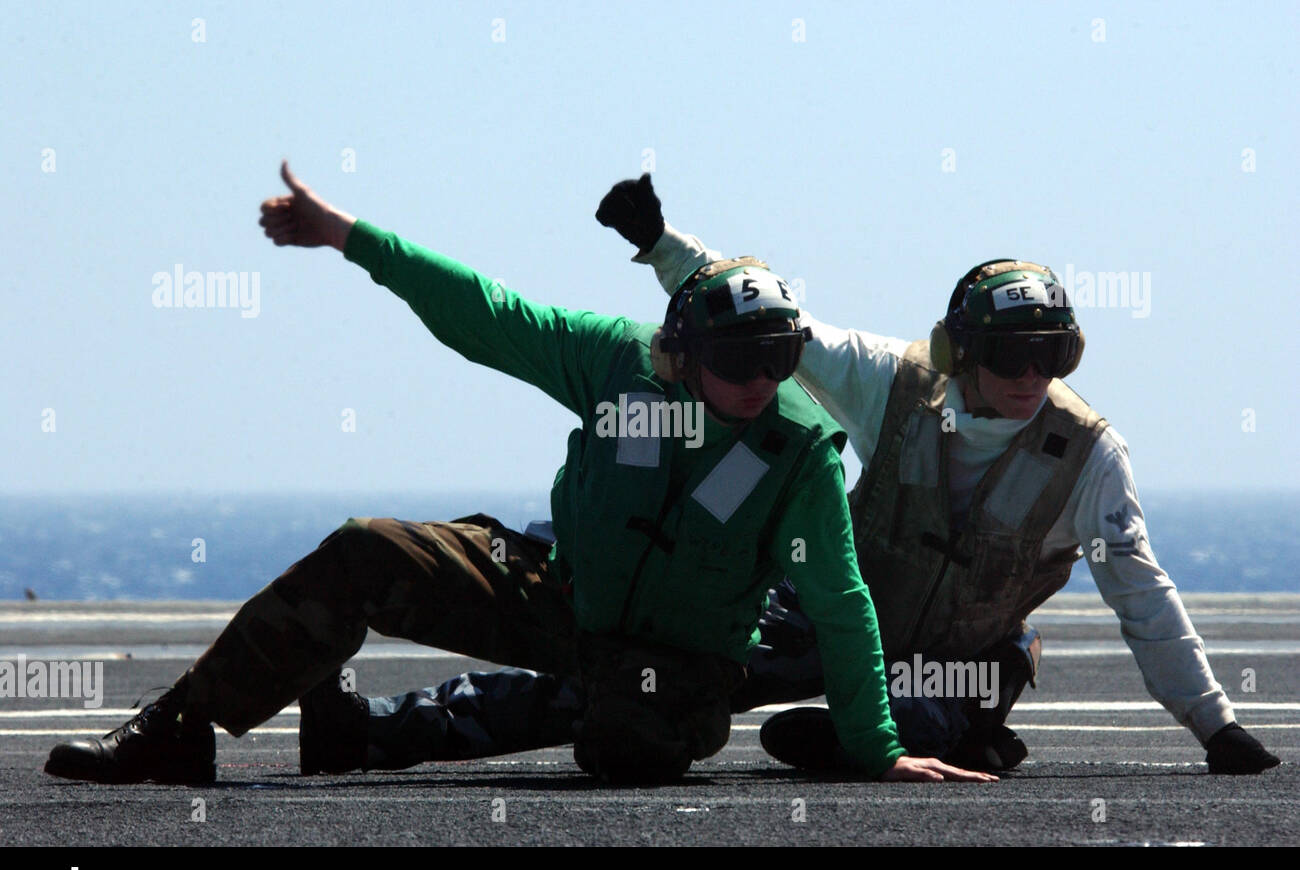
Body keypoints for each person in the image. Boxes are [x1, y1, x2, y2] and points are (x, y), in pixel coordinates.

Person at [42, 162, 995, 786]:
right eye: (741, 363)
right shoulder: (614, 360)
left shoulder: (798, 446)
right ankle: (180, 727)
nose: (762, 383)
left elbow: (841, 601)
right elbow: (483, 311)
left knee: (628, 744)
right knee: (366, 551)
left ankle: (374, 731)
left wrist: (881, 752)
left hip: (682, 663)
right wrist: (349, 238)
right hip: (563, 595)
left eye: (779, 362)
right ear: (683, 344)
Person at [332, 174, 1279, 778]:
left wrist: (1215, 725)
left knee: (952, 698)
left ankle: (885, 737)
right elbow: (771, 325)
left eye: (1051, 355)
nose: (1032, 375)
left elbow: (1141, 592)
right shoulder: (897, 384)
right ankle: (377, 730)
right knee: (632, 681)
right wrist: (664, 247)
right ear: (963, 347)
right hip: (822, 611)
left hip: (950, 657)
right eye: (1012, 352)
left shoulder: (1088, 458)